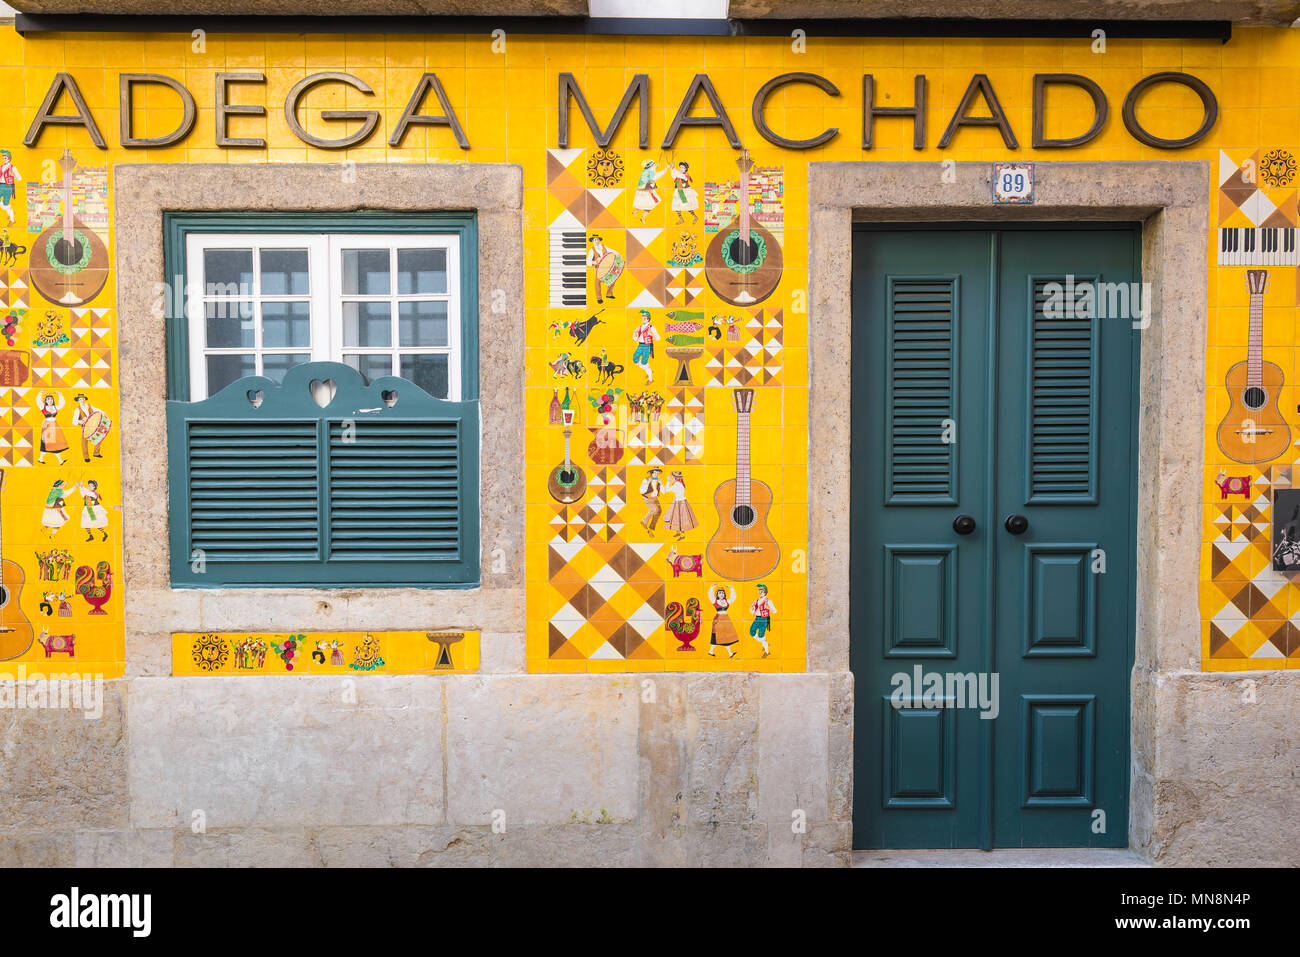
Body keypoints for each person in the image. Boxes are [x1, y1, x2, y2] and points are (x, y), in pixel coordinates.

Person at [71, 393, 110, 463]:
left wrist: (103, 413)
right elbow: (74, 421)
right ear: (78, 400)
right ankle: (86, 457)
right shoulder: (77, 409)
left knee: (99, 437)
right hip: (85, 427)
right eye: (80, 399)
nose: (82, 400)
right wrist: (81, 421)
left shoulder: (89, 405)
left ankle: (96, 453)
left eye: (82, 399)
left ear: (84, 399)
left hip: (94, 425)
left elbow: (96, 410)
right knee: (84, 442)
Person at [587, 234, 623, 304]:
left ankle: (609, 294)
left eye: (597, 239)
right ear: (592, 241)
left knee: (612, 279)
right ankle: (599, 298)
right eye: (594, 240)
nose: (596, 241)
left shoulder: (603, 246)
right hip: (599, 268)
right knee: (597, 283)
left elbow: (611, 251)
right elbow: (588, 261)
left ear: (599, 240)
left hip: (607, 266)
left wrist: (618, 254)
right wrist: (594, 262)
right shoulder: (592, 250)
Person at [663, 470, 698, 540]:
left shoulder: (677, 484)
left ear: (676, 478)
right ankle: (678, 532)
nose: (673, 478)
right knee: (676, 518)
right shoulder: (679, 483)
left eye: (673, 477)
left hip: (679, 502)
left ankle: (682, 535)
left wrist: (668, 481)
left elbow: (666, 490)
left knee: (680, 518)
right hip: (679, 501)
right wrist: (670, 481)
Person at [38, 392, 68, 465]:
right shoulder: (43, 407)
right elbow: (38, 401)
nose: (50, 400)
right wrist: (40, 392)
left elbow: (62, 403)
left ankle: (40, 458)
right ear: (45, 401)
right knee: (50, 443)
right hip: (47, 426)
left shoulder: (55, 407)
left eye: (51, 399)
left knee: (53, 443)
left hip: (54, 425)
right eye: (48, 399)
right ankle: (60, 461)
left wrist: (60, 394)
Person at [709, 585, 739, 658]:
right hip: (718, 619)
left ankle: (712, 651)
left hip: (726, 619)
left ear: (724, 594)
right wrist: (712, 587)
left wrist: (732, 588)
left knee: (725, 636)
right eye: (720, 593)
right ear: (717, 594)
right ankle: (729, 653)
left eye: (722, 593)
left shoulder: (726, 601)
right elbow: (710, 595)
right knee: (719, 636)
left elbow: (733, 597)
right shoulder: (715, 601)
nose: (721, 594)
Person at [749, 583, 777, 658]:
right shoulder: (757, 600)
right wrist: (751, 607)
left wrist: (768, 608)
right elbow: (752, 612)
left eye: (762, 591)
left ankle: (767, 651)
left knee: (761, 636)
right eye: (759, 591)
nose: (760, 593)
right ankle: (765, 643)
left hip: (763, 619)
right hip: (757, 618)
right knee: (751, 632)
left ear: (765, 592)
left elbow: (775, 611)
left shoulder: (768, 601)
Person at [631, 309, 659, 384]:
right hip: (640, 345)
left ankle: (650, 379)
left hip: (647, 346)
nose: (643, 319)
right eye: (642, 317)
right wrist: (634, 334)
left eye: (645, 318)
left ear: (648, 318)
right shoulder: (640, 327)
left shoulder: (651, 327)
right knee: (635, 358)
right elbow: (635, 336)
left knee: (644, 362)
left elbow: (658, 338)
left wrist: (651, 334)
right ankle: (648, 369)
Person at [639, 466, 663, 534]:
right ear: (651, 473)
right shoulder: (646, 480)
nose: (656, 474)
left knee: (659, 511)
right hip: (648, 497)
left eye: (657, 473)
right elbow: (641, 491)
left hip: (655, 498)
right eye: (655, 472)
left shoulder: (658, 480)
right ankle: (644, 521)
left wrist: (661, 483)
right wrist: (647, 483)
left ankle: (651, 528)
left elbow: (663, 491)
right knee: (654, 510)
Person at [0, 150, 21, 226]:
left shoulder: (12, 167)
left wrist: (12, 175)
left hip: (7, 187)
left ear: (9, 158)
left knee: (6, 203)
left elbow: (19, 178)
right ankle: (9, 210)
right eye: (3, 158)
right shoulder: (1, 167)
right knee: (7, 207)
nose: (4, 159)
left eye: (5, 158)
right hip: (0, 186)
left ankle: (12, 219)